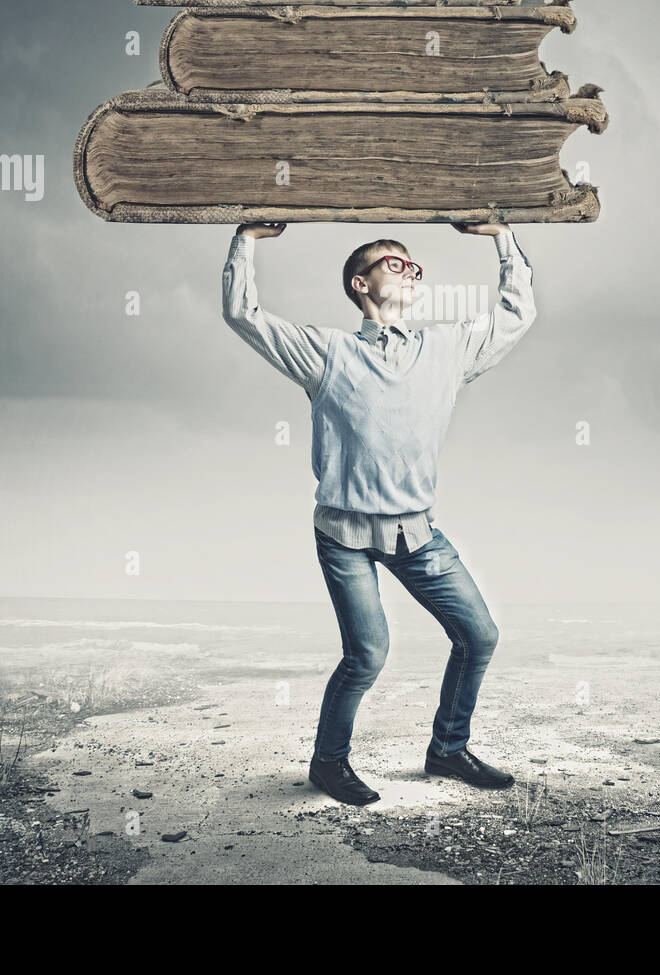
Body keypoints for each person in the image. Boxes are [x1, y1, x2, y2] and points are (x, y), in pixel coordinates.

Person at [221, 219, 536, 805]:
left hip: (417, 533)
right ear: (359, 283)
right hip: (343, 535)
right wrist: (247, 239)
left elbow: (517, 315)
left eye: (415, 265)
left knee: (479, 635)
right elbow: (244, 316)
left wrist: (501, 235)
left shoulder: (446, 350)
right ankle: (328, 764)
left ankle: (447, 749)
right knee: (367, 654)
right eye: (395, 262)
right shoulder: (326, 353)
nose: (410, 269)